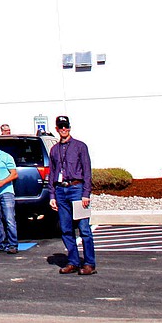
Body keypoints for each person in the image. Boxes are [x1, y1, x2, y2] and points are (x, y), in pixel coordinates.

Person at [48, 115, 96, 276]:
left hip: (77, 189)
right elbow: (52, 172)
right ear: (56, 129)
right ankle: (73, 261)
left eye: (66, 126)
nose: (63, 129)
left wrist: (86, 193)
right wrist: (52, 195)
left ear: (69, 127)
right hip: (61, 191)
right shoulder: (54, 150)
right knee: (66, 229)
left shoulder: (80, 146)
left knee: (84, 229)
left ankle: (89, 263)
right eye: (60, 127)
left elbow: (87, 171)